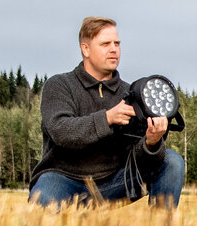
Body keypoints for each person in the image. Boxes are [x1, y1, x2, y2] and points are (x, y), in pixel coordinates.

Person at [29, 17, 185, 209]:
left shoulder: (131, 94)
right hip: (63, 180)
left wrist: (151, 143)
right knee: (42, 206)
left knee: (172, 161)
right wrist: (107, 118)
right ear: (85, 49)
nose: (114, 49)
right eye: (105, 44)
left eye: (117, 43)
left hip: (115, 182)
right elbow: (61, 131)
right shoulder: (60, 86)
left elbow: (136, 158)